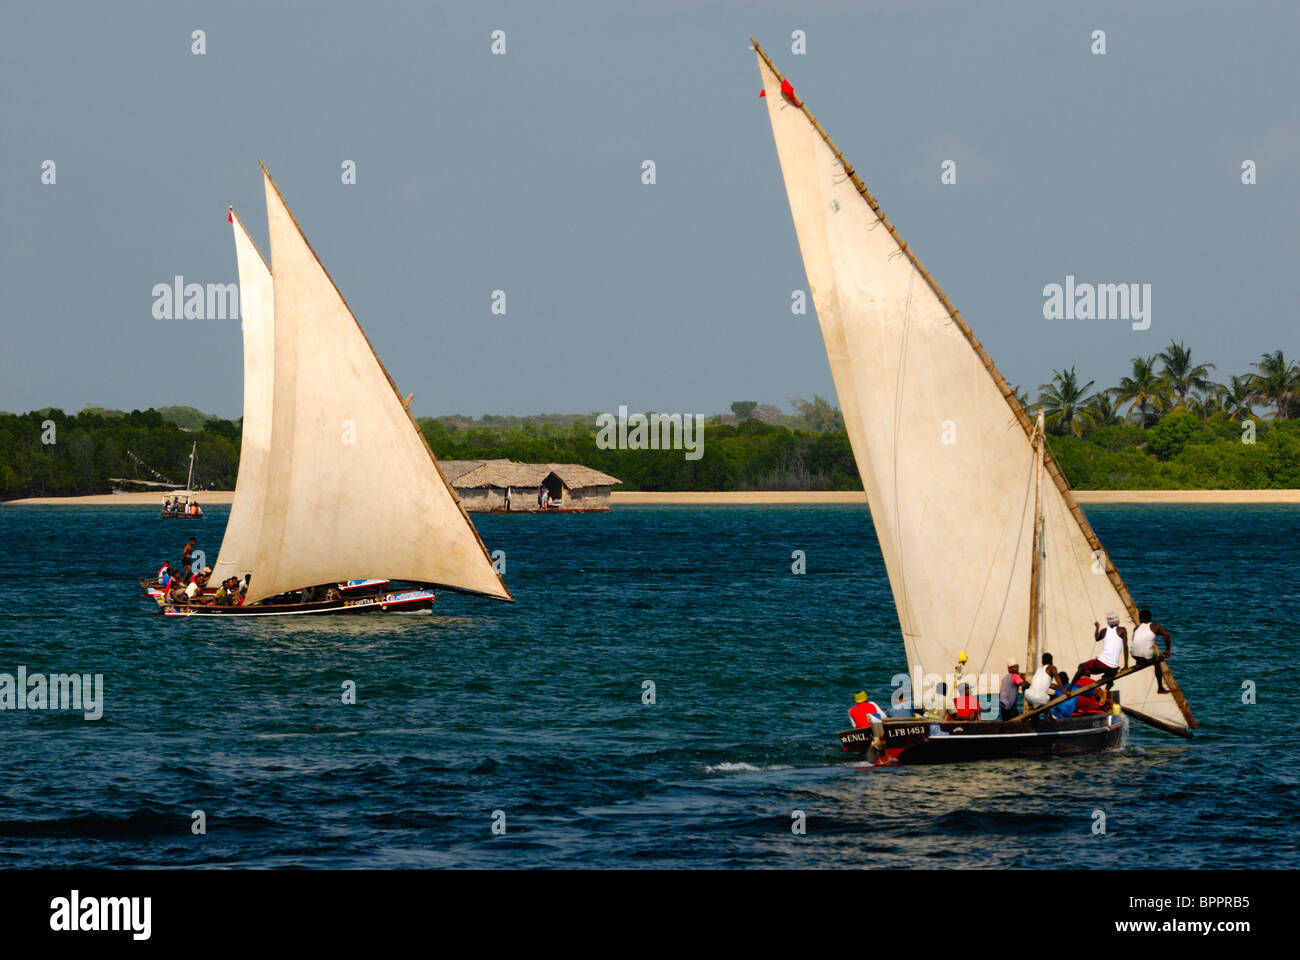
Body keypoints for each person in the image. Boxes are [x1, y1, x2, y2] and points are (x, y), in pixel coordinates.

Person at [1131, 608, 1171, 693]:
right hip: (1145, 655)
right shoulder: (1156, 626)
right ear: (1150, 618)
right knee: (1157, 661)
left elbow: (1134, 641)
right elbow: (1166, 635)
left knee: (1144, 653)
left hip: (1134, 655)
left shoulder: (1136, 628)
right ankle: (1160, 688)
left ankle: (1139, 661)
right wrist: (1167, 650)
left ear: (1140, 619)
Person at [1079, 612, 1127, 682]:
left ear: (1108, 622)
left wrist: (1097, 627)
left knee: (1082, 666)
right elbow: (1125, 647)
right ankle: (1107, 681)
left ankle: (1086, 682)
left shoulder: (1104, 631)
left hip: (1101, 665)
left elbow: (1096, 638)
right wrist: (1126, 665)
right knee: (1108, 670)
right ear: (1118, 621)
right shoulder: (1122, 630)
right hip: (1114, 667)